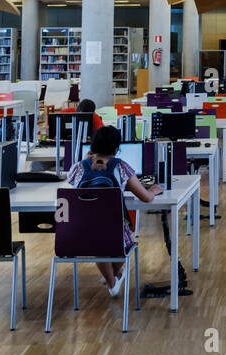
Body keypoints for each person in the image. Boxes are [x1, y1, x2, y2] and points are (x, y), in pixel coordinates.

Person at [67, 126, 163, 297]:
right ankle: (112, 282)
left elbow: (71, 184)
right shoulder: (120, 167)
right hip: (114, 235)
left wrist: (85, 160)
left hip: (80, 233)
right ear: (116, 149)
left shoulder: (78, 168)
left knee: (99, 239)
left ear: (92, 145)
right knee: (118, 238)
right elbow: (146, 198)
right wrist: (154, 190)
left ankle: (111, 275)